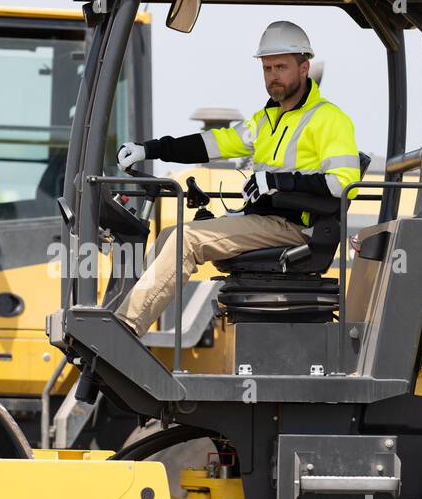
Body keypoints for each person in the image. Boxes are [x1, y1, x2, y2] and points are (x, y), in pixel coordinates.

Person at [114, 20, 360, 336]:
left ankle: (124, 328)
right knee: (169, 237)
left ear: (304, 67)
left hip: (297, 228)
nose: (273, 76)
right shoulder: (266, 119)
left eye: (281, 67)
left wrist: (279, 182)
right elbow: (211, 144)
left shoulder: (330, 120)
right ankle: (131, 322)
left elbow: (344, 185)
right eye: (267, 68)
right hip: (265, 222)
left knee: (186, 240)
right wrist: (150, 149)